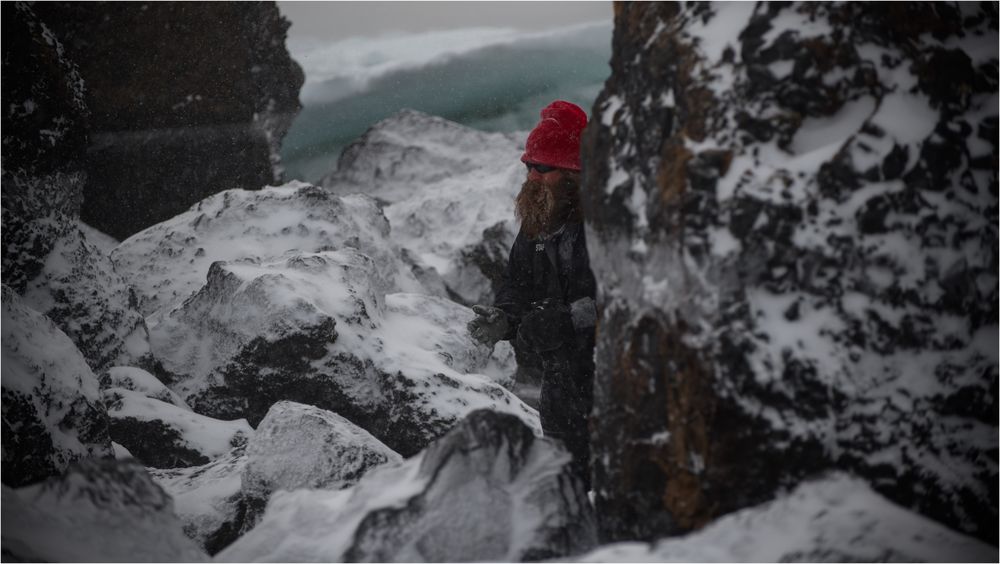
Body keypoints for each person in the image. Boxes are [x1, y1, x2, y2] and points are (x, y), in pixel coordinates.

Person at [468, 100, 597, 490]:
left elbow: (631, 294)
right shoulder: (537, 222)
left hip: (611, 380)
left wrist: (569, 317)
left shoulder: (608, 222)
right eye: (529, 166)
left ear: (573, 173)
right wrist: (504, 317)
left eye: (544, 168)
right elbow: (518, 282)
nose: (533, 176)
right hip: (561, 386)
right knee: (567, 484)